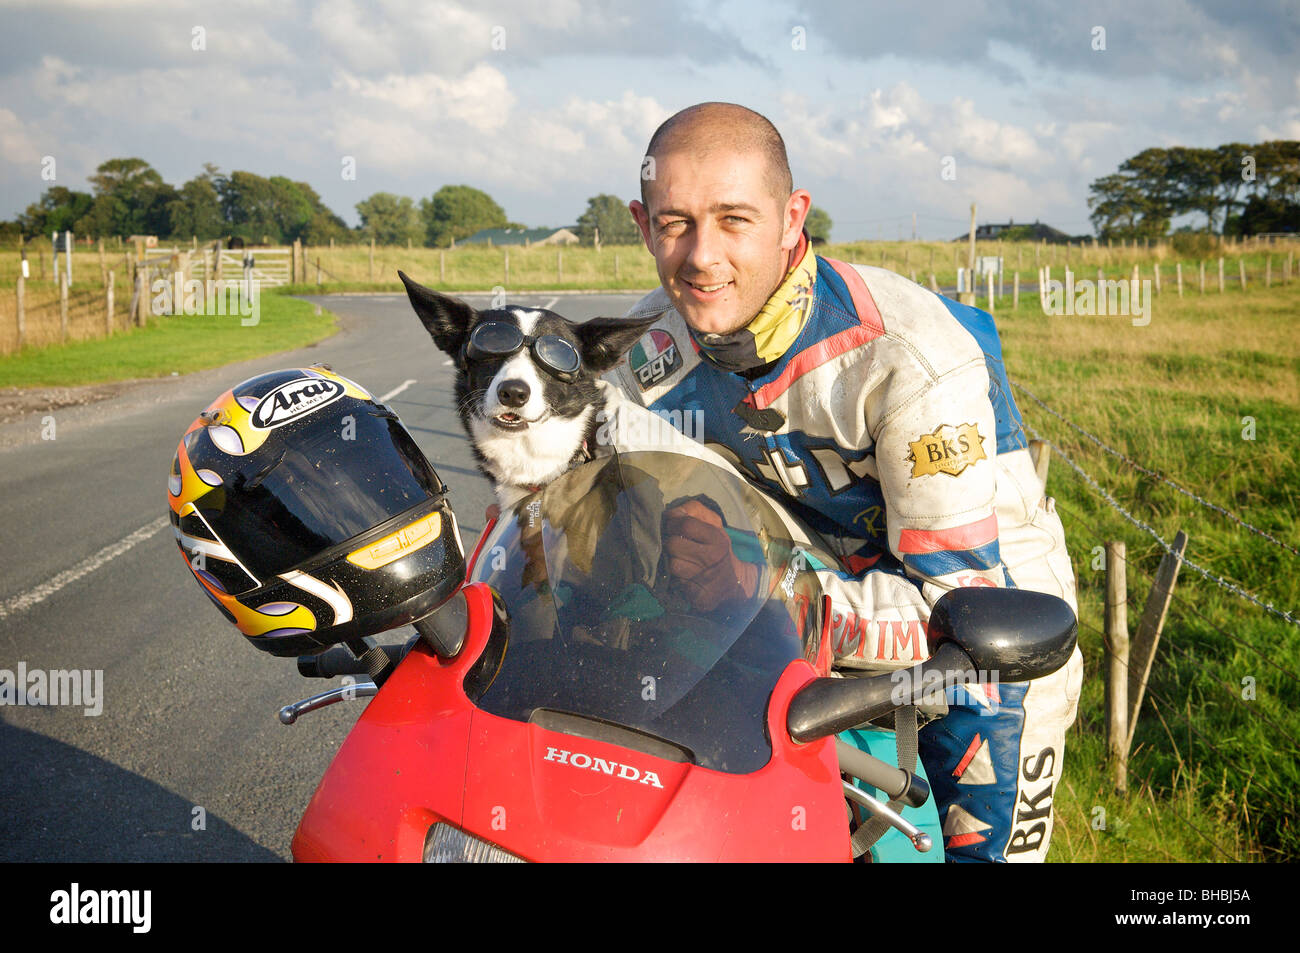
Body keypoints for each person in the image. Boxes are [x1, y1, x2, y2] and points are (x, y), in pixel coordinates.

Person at [604, 101, 1084, 863]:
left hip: (987, 639)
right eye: (674, 223)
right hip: (790, 608)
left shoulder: (908, 355)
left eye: (734, 219)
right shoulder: (643, 349)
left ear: (794, 217)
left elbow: (949, 614)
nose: (700, 255)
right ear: (640, 223)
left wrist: (755, 593)